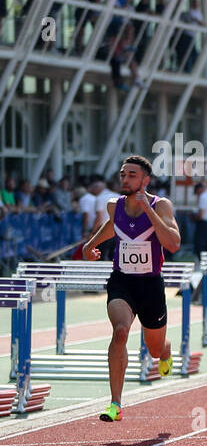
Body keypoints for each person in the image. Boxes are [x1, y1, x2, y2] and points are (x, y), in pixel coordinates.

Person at [79, 155, 182, 422]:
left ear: (145, 180)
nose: (125, 179)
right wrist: (90, 246)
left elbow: (173, 244)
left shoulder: (161, 206)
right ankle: (115, 403)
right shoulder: (115, 205)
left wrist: (148, 211)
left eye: (132, 175)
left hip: (150, 285)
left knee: (155, 348)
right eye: (123, 174)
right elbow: (112, 227)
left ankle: (166, 350)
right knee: (121, 331)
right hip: (122, 280)